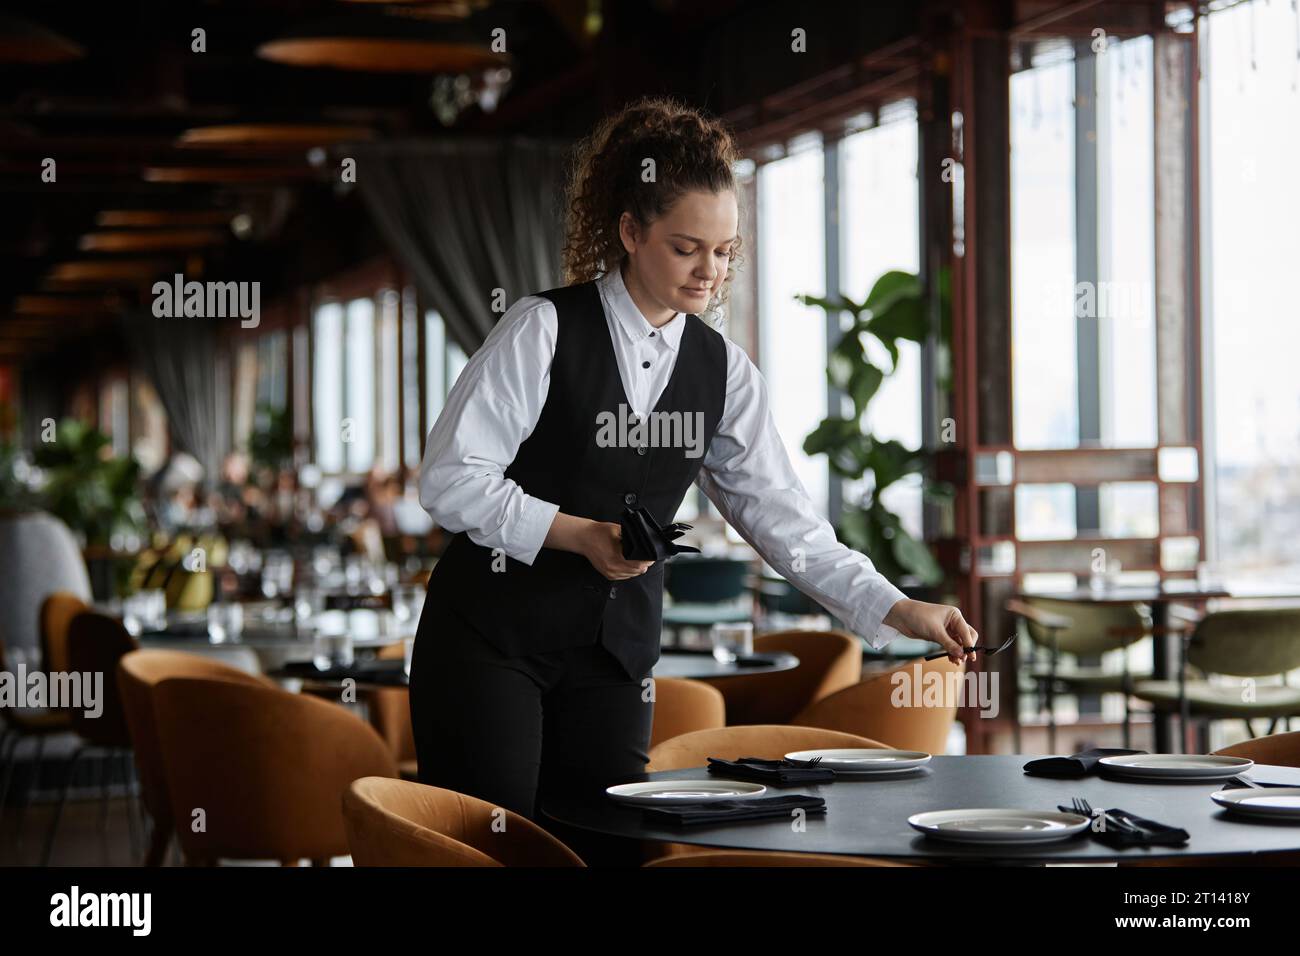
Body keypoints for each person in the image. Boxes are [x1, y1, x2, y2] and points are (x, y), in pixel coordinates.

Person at [407, 95, 979, 865]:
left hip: (612, 660)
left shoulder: (724, 372)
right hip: (488, 643)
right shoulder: (543, 329)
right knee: (502, 852)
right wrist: (576, 534)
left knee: (618, 851)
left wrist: (898, 606)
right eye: (686, 247)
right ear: (630, 232)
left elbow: (786, 523)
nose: (710, 270)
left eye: (725, 251)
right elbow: (449, 478)